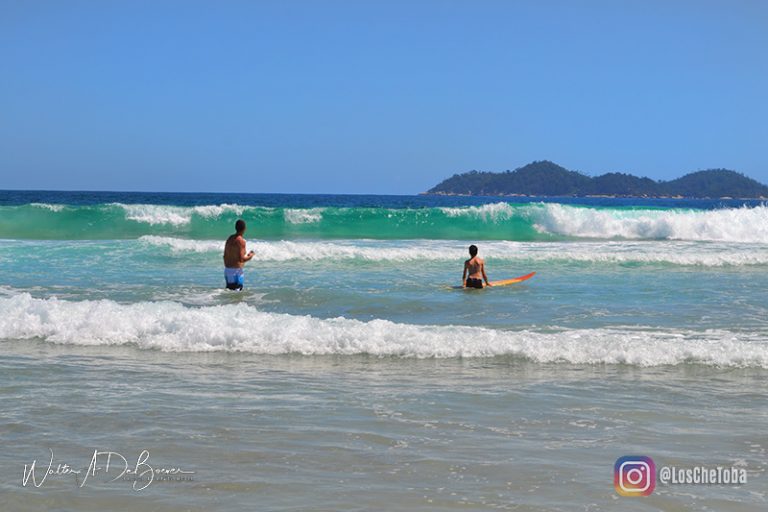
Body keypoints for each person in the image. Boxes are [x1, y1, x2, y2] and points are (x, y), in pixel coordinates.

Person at [223, 219, 255, 290]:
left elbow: (225, 256)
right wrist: (251, 255)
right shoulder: (241, 241)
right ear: (245, 229)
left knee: (229, 294)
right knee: (237, 295)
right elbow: (241, 259)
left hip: (227, 270)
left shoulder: (230, 238)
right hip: (236, 272)